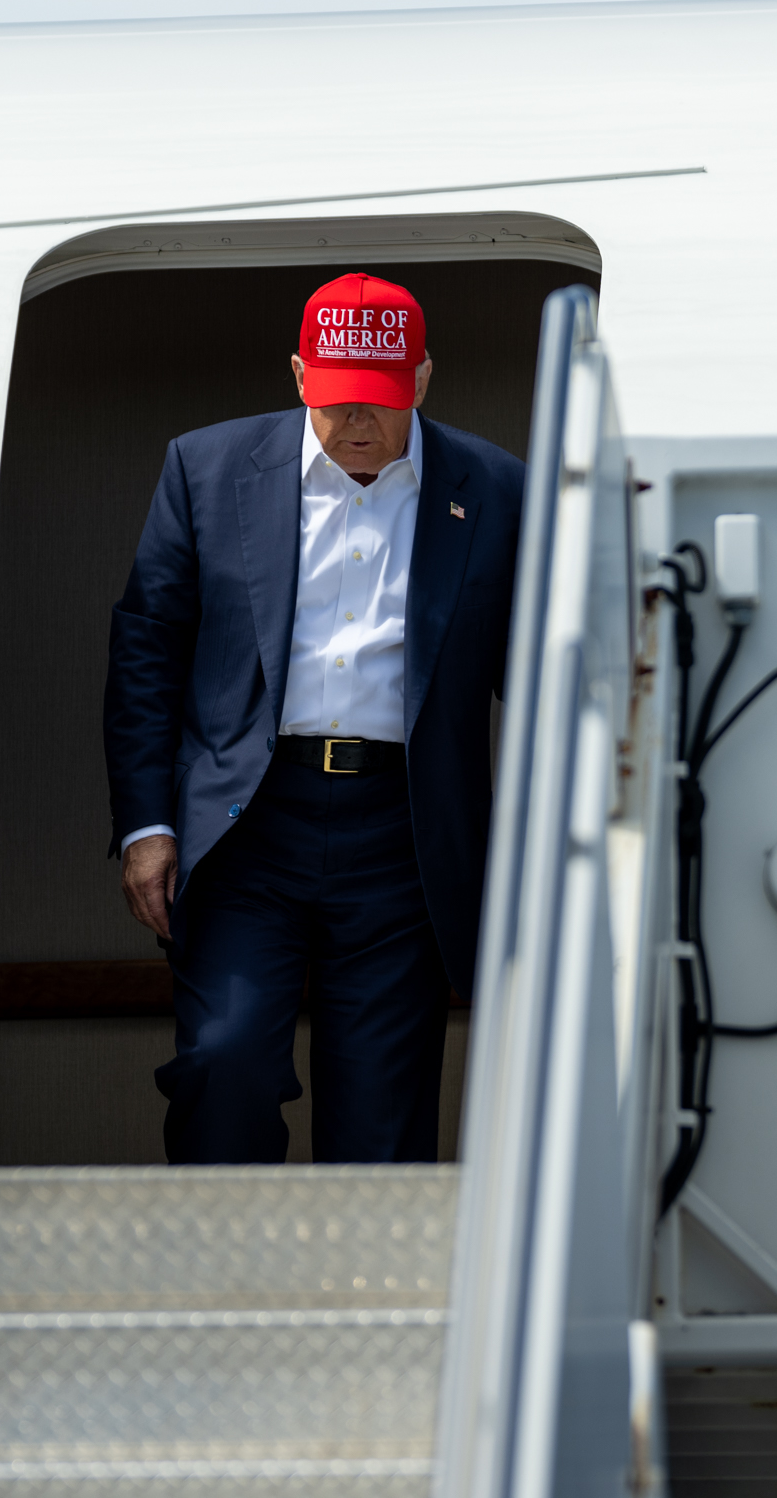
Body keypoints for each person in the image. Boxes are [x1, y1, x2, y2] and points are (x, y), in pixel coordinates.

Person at [103, 272, 525, 1163]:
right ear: (299, 376)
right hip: (248, 825)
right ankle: (222, 1257)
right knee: (224, 1067)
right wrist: (145, 825)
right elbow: (146, 651)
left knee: (381, 1116)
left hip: (404, 838)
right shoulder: (207, 469)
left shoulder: (494, 487)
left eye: (381, 398)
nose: (358, 423)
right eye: (336, 400)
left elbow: (538, 675)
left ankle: (360, 1264)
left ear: (423, 378)